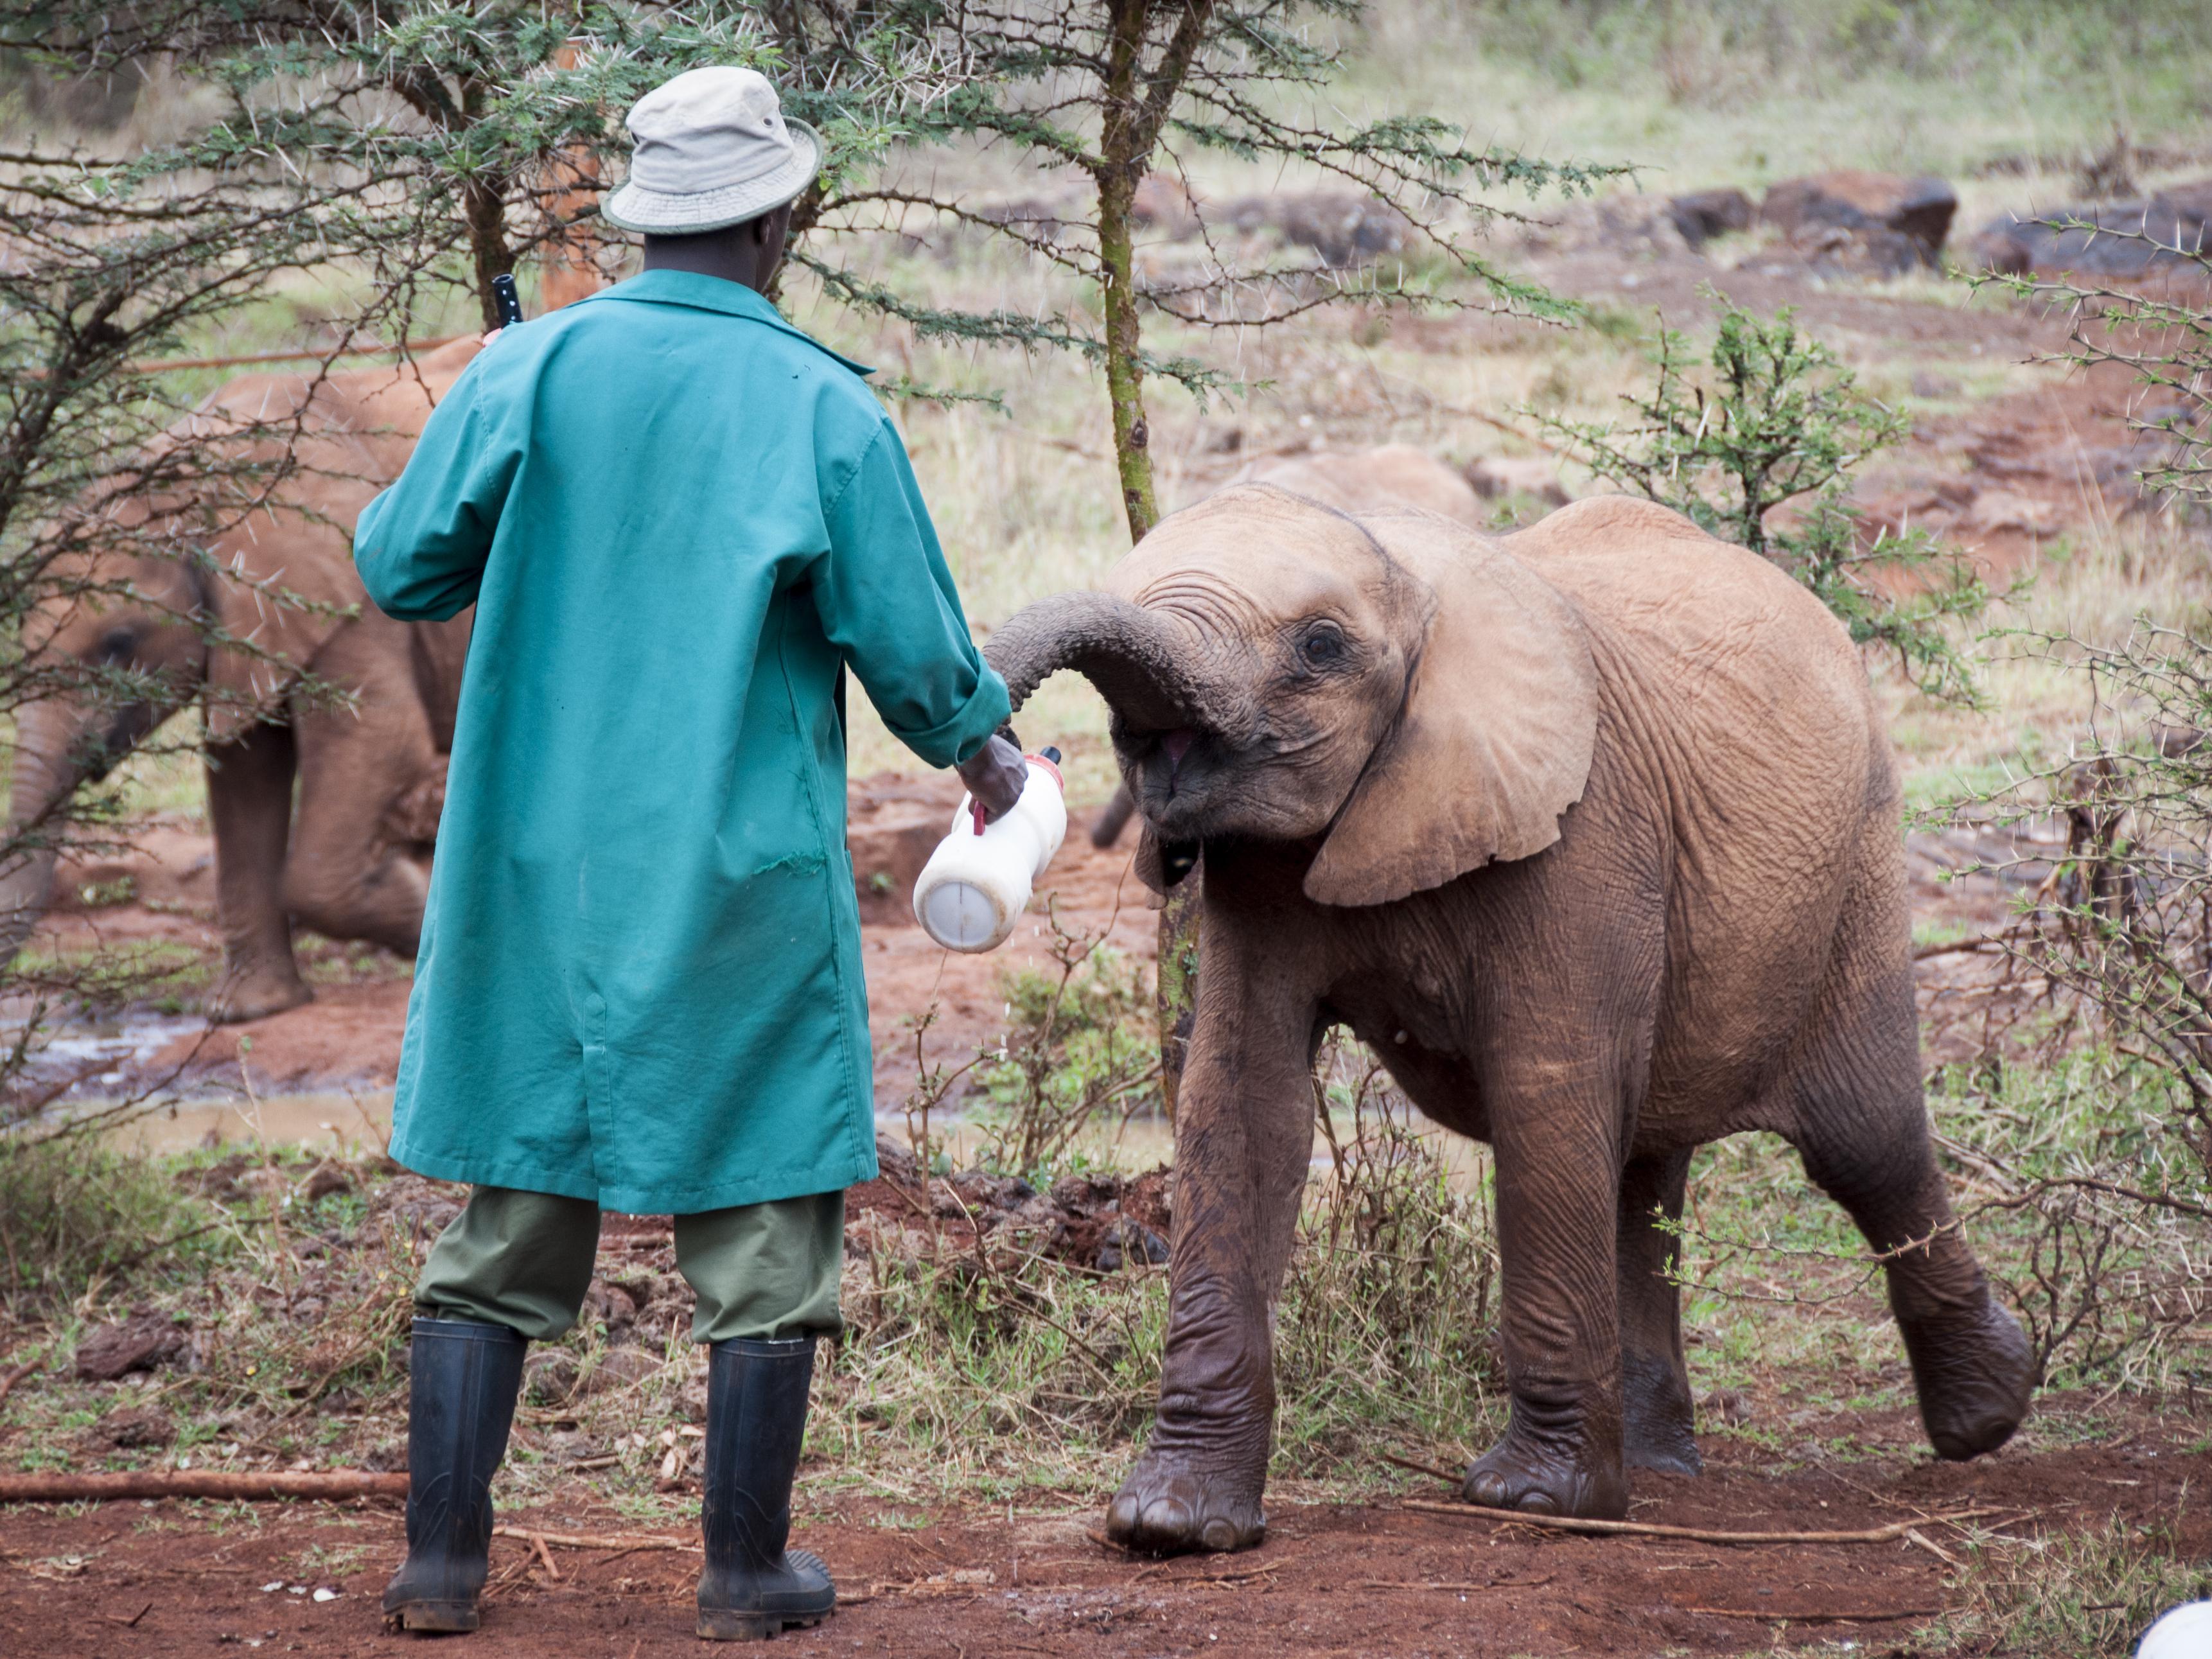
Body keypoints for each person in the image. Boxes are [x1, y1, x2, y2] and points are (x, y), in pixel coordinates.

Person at [353, 66, 1028, 1641]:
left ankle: (441, 1567)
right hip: (735, 880)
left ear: (649, 216)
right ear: (781, 215)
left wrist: (498, 389)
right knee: (767, 1222)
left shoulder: (532, 367)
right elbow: (917, 659)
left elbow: (400, 563)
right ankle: (742, 1575)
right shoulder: (822, 400)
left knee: (509, 1200)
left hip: (532, 867)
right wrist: (997, 760)